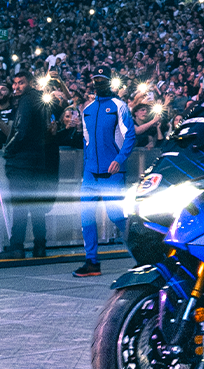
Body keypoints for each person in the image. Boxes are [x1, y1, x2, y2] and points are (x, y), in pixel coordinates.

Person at [73, 65, 137, 276]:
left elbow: (130, 135)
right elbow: (86, 140)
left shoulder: (120, 106)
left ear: (110, 81)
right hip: (90, 173)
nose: (98, 83)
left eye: (102, 79)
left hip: (112, 172)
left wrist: (119, 159)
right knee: (86, 218)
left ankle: (143, 253)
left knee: (116, 216)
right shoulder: (88, 110)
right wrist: (86, 167)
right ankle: (91, 262)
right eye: (95, 79)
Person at [0, 71, 49, 259]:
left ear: (30, 83)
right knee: (36, 207)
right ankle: (40, 246)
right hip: (37, 161)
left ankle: (17, 246)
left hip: (23, 162)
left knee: (19, 206)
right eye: (15, 83)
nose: (16, 87)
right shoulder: (39, 100)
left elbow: (21, 130)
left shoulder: (27, 101)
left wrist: (8, 150)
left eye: (21, 83)